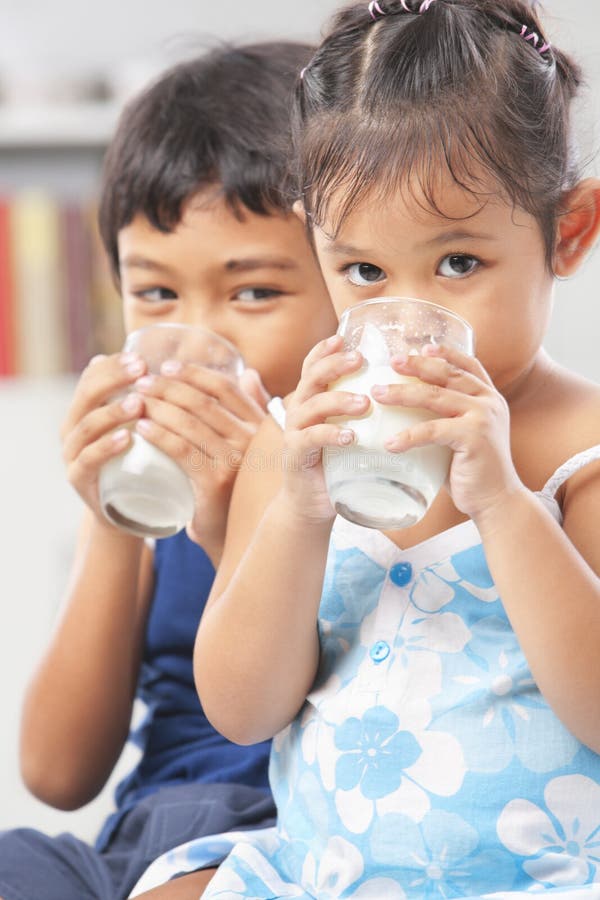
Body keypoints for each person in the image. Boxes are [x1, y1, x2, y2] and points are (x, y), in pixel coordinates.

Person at [136, 0, 600, 896]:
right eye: (364, 272)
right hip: (323, 875)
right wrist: (297, 515)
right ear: (319, 245)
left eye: (459, 264)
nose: (410, 310)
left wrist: (503, 502)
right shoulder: (295, 443)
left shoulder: (584, 448)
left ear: (568, 232)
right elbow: (240, 711)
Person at [0, 41, 337, 900]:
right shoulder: (154, 487)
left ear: (352, 284)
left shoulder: (362, 476)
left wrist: (249, 511)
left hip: (290, 827)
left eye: (253, 292)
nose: (198, 335)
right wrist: (112, 524)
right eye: (155, 294)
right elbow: (57, 771)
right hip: (144, 827)